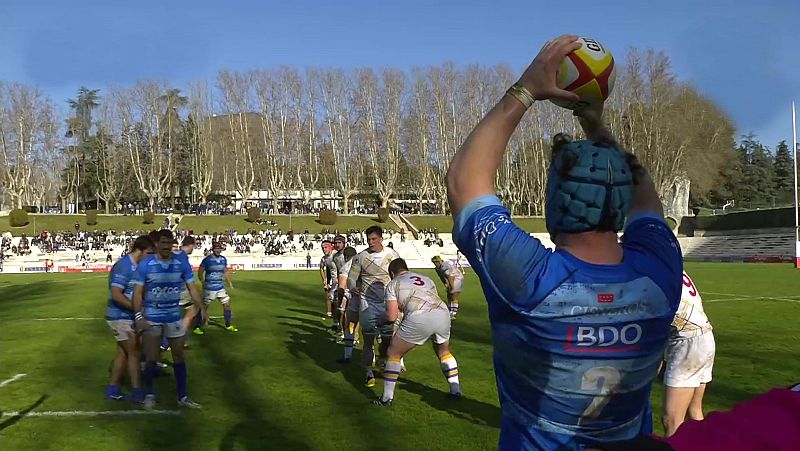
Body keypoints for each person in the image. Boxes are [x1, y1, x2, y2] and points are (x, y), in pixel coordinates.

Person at [445, 35, 683, 449]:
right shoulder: (660, 270)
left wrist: (526, 90)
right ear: (622, 199)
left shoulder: (530, 279)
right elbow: (648, 205)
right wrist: (596, 123)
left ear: (554, 203)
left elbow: (463, 182)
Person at [132, 229, 207, 409]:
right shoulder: (146, 264)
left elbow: (192, 287)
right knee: (151, 357)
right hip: (152, 317)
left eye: (169, 243)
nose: (166, 246)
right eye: (163, 242)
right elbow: (137, 293)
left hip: (173, 316)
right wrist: (138, 316)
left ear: (173, 244)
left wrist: (202, 307)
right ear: (157, 244)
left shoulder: (180, 263)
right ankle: (149, 394)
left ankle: (182, 396)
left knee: (179, 356)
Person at [373, 258, 461, 406]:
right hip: (442, 312)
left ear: (392, 272)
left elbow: (391, 316)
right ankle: (455, 390)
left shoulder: (393, 284)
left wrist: (379, 320)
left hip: (420, 315)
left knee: (394, 353)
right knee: (443, 352)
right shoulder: (426, 278)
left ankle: (386, 398)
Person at [345, 225, 401, 388]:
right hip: (367, 303)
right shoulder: (361, 257)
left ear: (381, 238)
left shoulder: (392, 255)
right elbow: (351, 278)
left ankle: (382, 363)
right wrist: (352, 286)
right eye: (368, 239)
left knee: (386, 340)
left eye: (374, 239)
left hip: (386, 302)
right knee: (368, 340)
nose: (370, 242)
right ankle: (369, 373)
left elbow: (400, 275)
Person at [661, 271, 715, 436]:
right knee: (695, 412)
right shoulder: (674, 266)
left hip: (687, 342)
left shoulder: (652, 269)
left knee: (672, 421)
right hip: (705, 337)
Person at [104, 235, 153, 403]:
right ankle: (138, 392)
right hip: (119, 315)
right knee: (134, 351)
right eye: (149, 253)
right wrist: (138, 309)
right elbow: (117, 295)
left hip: (128, 315)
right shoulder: (124, 266)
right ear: (138, 250)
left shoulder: (140, 266)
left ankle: (112, 389)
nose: (151, 257)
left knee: (124, 353)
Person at [196, 241, 237, 332]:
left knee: (227, 305)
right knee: (204, 307)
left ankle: (228, 325)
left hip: (220, 288)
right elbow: (200, 272)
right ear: (213, 249)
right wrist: (203, 282)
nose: (218, 250)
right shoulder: (207, 260)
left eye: (219, 248)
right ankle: (197, 326)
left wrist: (229, 283)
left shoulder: (223, 259)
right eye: (216, 248)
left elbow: (225, 271)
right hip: (209, 288)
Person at [431, 255, 464, 319]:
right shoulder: (437, 268)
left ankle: (453, 313)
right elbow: (441, 277)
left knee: (454, 295)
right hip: (452, 278)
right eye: (434, 262)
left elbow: (450, 276)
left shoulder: (445, 266)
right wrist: (446, 285)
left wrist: (452, 287)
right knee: (449, 295)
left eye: (436, 262)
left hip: (457, 278)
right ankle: (450, 310)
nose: (435, 264)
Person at [319, 240, 336, 318]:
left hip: (339, 280)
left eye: (326, 247)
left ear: (330, 247)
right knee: (328, 294)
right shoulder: (324, 258)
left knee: (337, 299)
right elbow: (321, 268)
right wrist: (324, 280)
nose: (324, 249)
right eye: (322, 248)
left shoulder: (336, 255)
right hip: (331, 279)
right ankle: (330, 312)